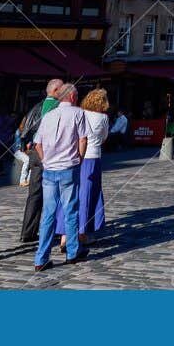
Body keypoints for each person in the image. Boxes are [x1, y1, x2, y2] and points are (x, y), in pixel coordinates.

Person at [34, 84, 88, 271]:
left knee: (48, 214)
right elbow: (82, 139)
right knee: (70, 211)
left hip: (49, 169)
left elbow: (37, 143)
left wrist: (45, 160)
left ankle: (41, 258)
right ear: (72, 97)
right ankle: (72, 253)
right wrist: (79, 160)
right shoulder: (78, 113)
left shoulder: (48, 116)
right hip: (68, 167)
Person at [19, 79, 64, 247]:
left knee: (35, 194)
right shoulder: (58, 107)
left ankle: (27, 232)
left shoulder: (37, 106)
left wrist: (26, 144)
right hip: (52, 153)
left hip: (36, 155)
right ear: (56, 90)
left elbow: (25, 129)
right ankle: (56, 231)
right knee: (57, 193)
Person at [78, 88, 111, 242]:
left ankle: (73, 230)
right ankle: (84, 231)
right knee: (91, 193)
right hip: (93, 157)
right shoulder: (103, 118)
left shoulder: (81, 113)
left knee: (81, 192)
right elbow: (104, 138)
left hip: (79, 156)